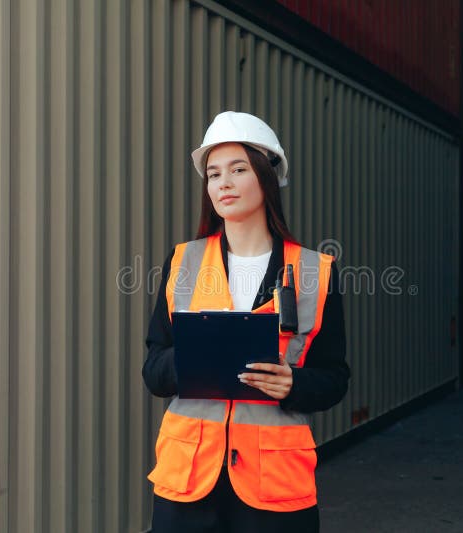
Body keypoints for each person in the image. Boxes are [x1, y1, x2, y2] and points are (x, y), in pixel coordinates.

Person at [142, 111, 349, 533]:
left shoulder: (314, 270)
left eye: (238, 169)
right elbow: (153, 369)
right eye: (214, 174)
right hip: (190, 482)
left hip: (272, 487)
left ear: (267, 178)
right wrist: (191, 360)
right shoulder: (183, 262)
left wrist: (294, 384)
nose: (224, 183)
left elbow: (334, 376)